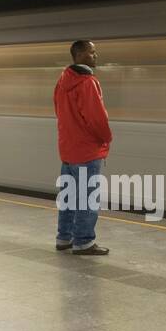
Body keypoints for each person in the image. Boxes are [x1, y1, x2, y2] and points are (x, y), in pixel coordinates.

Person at [52, 40, 113, 255]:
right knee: (87, 197)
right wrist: (106, 139)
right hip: (87, 151)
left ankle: (64, 237)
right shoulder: (88, 82)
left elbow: (59, 112)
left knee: (69, 197)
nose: (95, 56)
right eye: (91, 52)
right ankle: (84, 241)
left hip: (68, 150)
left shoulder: (62, 81)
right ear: (79, 55)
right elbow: (97, 119)